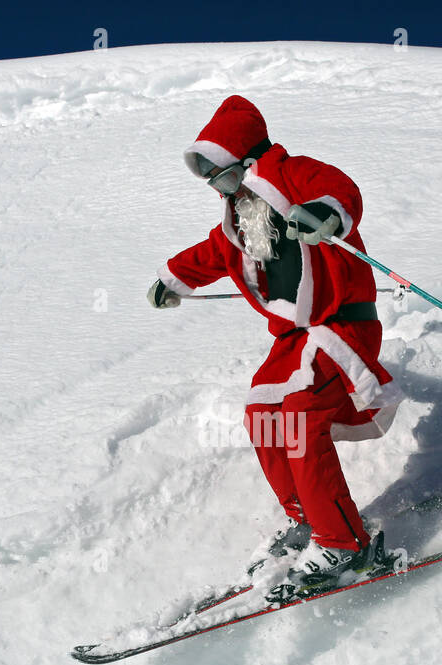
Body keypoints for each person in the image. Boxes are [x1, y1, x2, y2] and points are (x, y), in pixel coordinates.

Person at [147, 95, 404, 596]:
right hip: (293, 339)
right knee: (263, 415)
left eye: (221, 177)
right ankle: (313, 518)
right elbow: (209, 254)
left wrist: (325, 214)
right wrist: (171, 279)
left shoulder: (293, 174)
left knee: (302, 418)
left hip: (339, 328)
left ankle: (345, 544)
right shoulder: (240, 221)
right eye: (212, 184)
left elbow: (341, 190)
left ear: (245, 164)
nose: (220, 190)